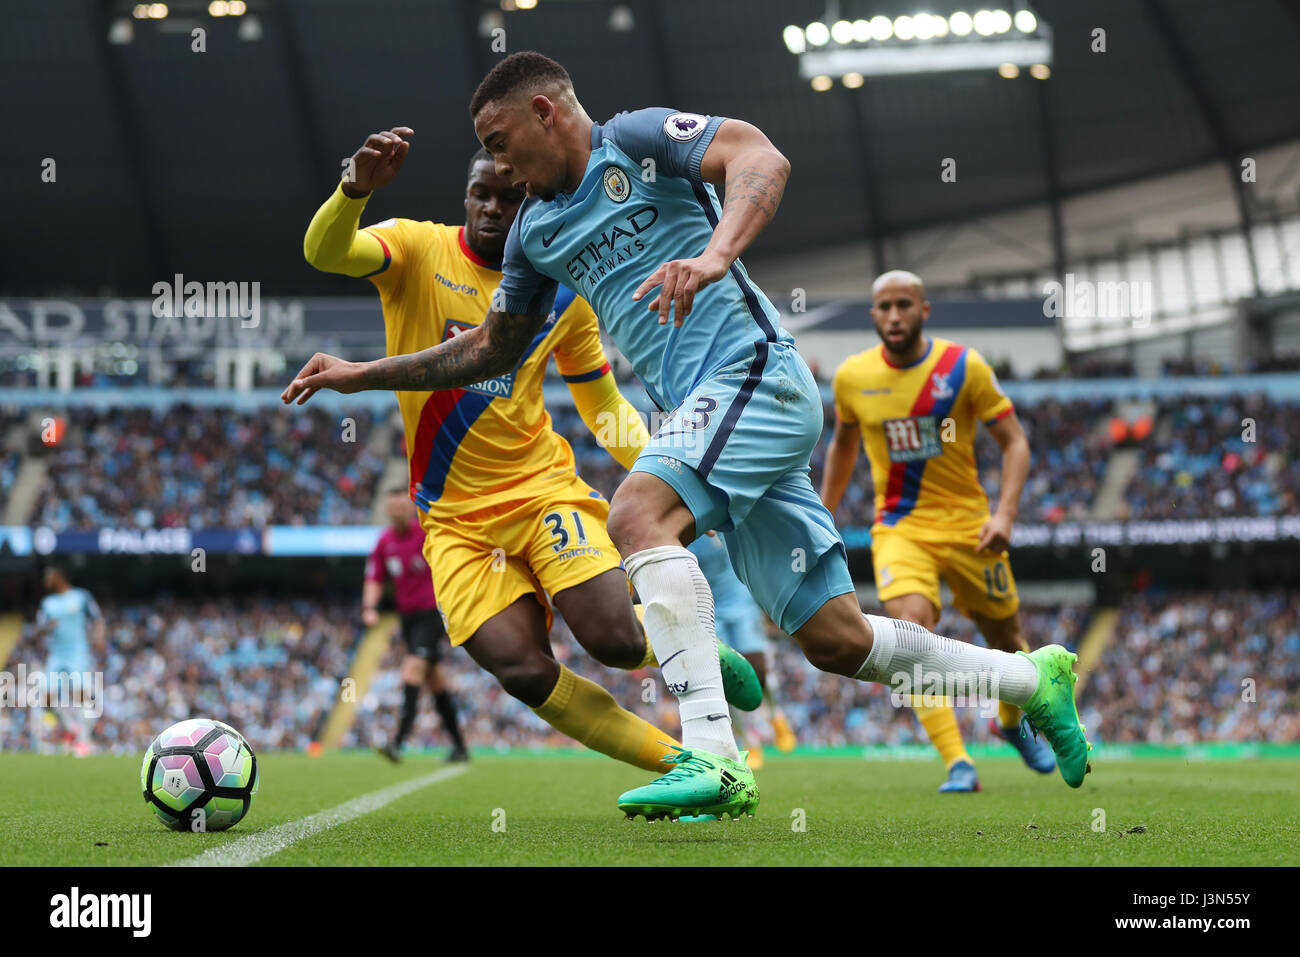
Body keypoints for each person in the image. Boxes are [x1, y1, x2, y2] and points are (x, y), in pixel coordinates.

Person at [284, 52, 1091, 819]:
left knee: (636, 514)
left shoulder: (634, 140)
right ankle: (1029, 678)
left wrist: (714, 254)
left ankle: (713, 754)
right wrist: (364, 374)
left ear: (544, 111)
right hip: (711, 418)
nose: (502, 171)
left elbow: (759, 157)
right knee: (834, 640)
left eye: (502, 145)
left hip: (755, 374)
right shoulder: (535, 231)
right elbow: (491, 347)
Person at [300, 134, 759, 778]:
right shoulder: (414, 248)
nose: (491, 209)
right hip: (455, 519)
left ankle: (698, 650)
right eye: (479, 195)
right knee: (521, 668)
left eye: (508, 199)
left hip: (541, 491)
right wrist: (355, 188)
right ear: (464, 196)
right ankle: (684, 766)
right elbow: (324, 252)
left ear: (533, 203)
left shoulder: (562, 288)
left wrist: (672, 471)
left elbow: (602, 408)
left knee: (617, 642)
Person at [822, 270, 1056, 792]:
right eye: (884, 307)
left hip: (973, 530)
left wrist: (1005, 515)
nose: (894, 315)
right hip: (900, 529)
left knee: (1009, 640)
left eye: (904, 305)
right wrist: (823, 512)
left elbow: (1015, 442)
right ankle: (958, 762)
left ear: (924, 310)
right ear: (873, 315)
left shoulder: (963, 366)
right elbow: (843, 443)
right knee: (911, 636)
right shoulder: (852, 377)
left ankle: (1009, 724)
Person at [364, 488, 468, 762]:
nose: (398, 511)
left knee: (411, 670)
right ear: (388, 510)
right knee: (435, 682)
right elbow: (374, 578)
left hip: (431, 615)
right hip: (407, 620)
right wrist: (369, 608)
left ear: (410, 509)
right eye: (393, 507)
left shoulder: (425, 533)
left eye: (402, 506)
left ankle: (398, 742)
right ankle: (460, 746)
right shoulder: (384, 542)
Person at [687, 533, 796, 770]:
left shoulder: (725, 511)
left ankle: (776, 715)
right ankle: (749, 740)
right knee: (725, 679)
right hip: (708, 606)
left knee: (758, 670)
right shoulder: (683, 526)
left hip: (741, 602)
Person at [31, 566, 103, 755]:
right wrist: (47, 627)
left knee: (80, 694)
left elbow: (97, 618)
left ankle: (84, 741)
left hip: (77, 651)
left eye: (48, 576)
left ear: (59, 576)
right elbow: (39, 629)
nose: (45, 581)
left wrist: (99, 637)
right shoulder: (48, 602)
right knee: (46, 699)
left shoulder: (81, 597)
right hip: (56, 653)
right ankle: (70, 727)